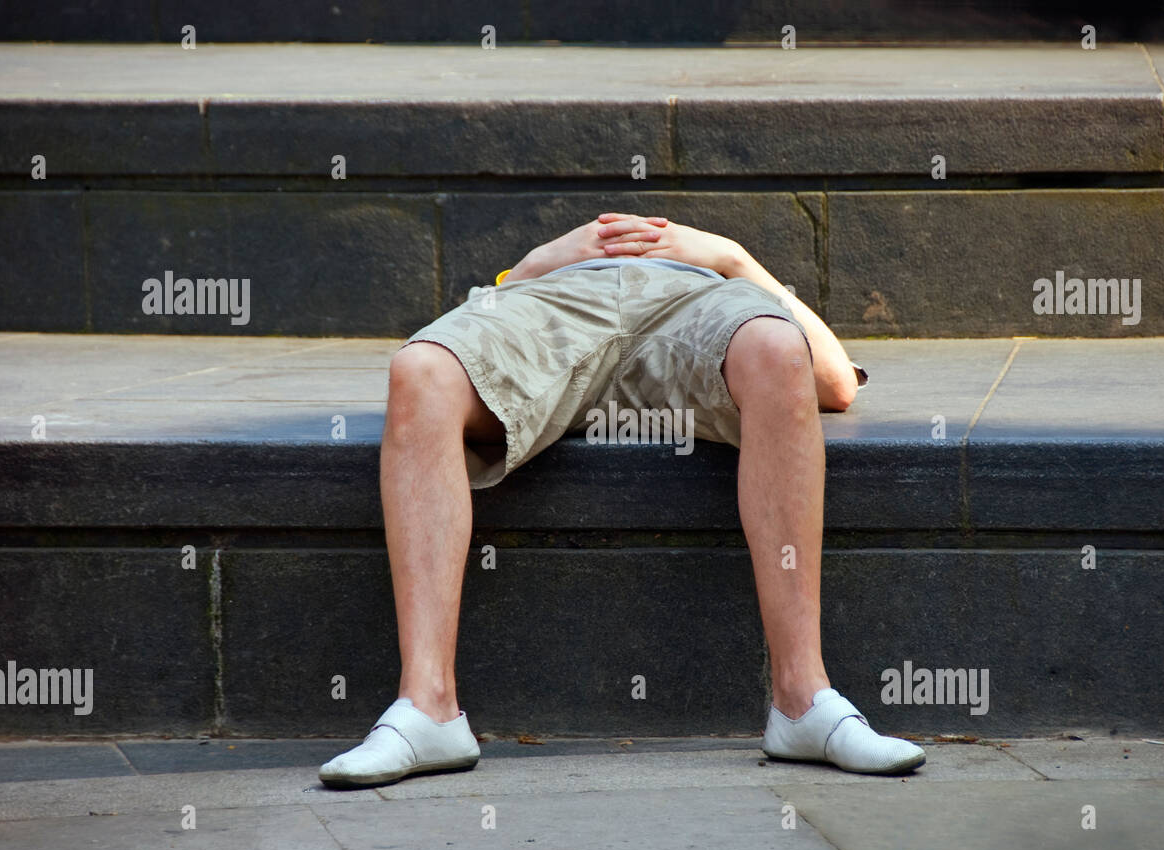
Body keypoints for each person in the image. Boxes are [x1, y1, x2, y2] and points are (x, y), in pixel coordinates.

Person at [318, 212, 926, 787]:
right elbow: (455, 343)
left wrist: (733, 258)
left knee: (780, 350)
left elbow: (835, 383)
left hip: (691, 299)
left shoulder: (714, 271)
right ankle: (428, 708)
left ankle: (803, 702)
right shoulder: (542, 272)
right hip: (555, 298)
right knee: (420, 371)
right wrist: (533, 265)